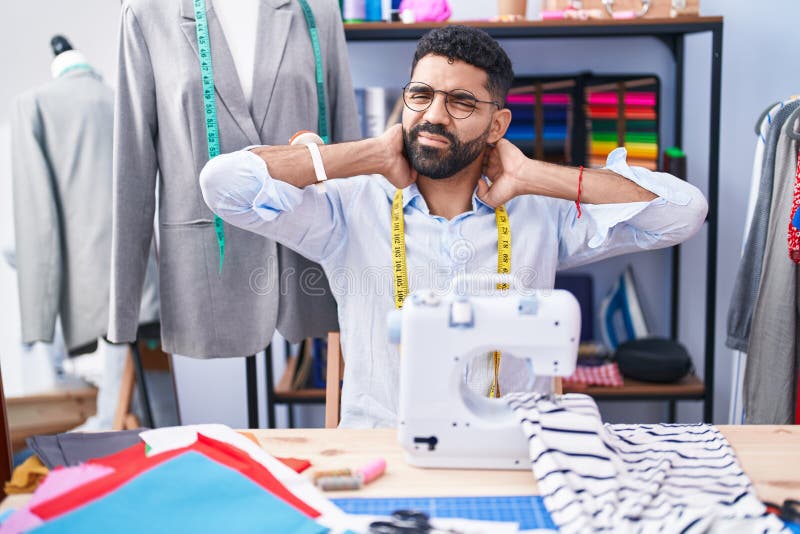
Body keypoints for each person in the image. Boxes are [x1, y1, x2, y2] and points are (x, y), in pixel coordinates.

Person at [200, 25, 708, 428]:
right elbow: (223, 183)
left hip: (508, 443)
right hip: (386, 450)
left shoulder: (539, 209)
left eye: (461, 102)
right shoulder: (349, 206)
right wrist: (369, 153)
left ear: (498, 125)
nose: (434, 116)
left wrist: (532, 173)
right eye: (421, 95)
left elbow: (683, 211)